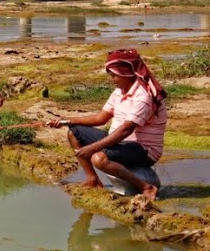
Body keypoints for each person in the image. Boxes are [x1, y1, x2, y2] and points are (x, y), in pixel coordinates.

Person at [45, 49, 167, 199]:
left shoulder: (143, 96)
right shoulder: (120, 91)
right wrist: (66, 121)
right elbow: (100, 118)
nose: (112, 79)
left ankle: (146, 187)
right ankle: (93, 179)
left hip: (143, 150)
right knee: (74, 132)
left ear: (126, 73)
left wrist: (92, 148)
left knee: (98, 158)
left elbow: (126, 130)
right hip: (121, 142)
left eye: (114, 75)